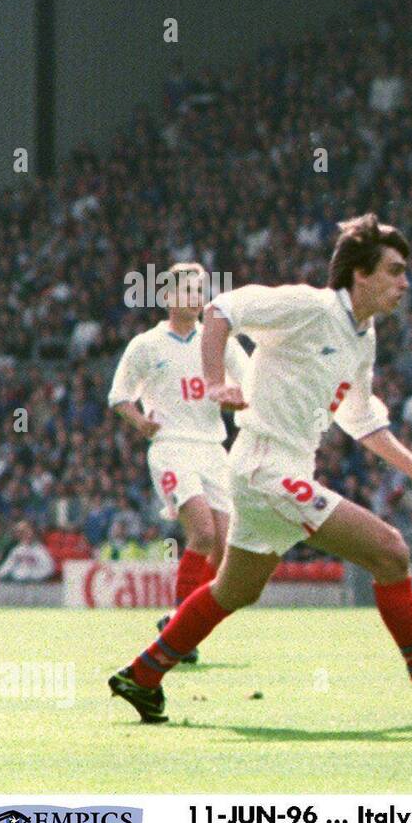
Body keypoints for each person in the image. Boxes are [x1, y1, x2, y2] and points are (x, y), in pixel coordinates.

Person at [108, 214, 412, 724]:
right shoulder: (308, 306)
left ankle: (143, 673)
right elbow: (221, 310)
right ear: (360, 274)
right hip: (266, 467)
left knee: (234, 590)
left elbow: (360, 416)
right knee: (391, 552)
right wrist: (216, 380)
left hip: (277, 471)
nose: (404, 283)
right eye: (395, 271)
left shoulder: (363, 335)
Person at [109, 261, 249, 664]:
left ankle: (179, 621)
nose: (197, 297)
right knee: (202, 533)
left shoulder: (218, 340)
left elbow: (250, 380)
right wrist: (140, 421)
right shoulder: (146, 345)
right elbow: (119, 396)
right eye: (189, 290)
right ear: (168, 297)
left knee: (225, 547)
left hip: (212, 449)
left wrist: (240, 395)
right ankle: (179, 632)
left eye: (202, 290)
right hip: (171, 446)